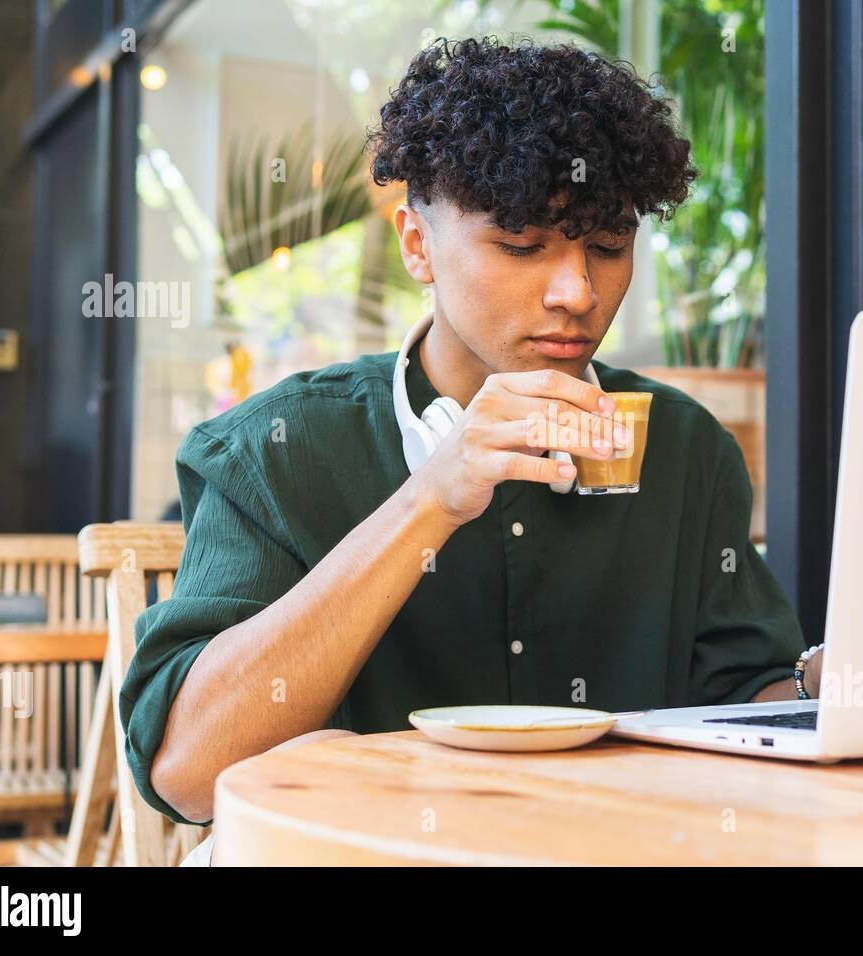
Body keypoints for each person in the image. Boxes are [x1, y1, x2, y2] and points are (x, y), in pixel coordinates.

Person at [122, 36, 824, 862]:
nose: (579, 294)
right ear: (417, 244)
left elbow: (746, 700)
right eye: (522, 246)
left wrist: (830, 684)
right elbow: (188, 774)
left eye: (607, 245)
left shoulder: (681, 448)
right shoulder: (277, 448)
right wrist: (433, 496)